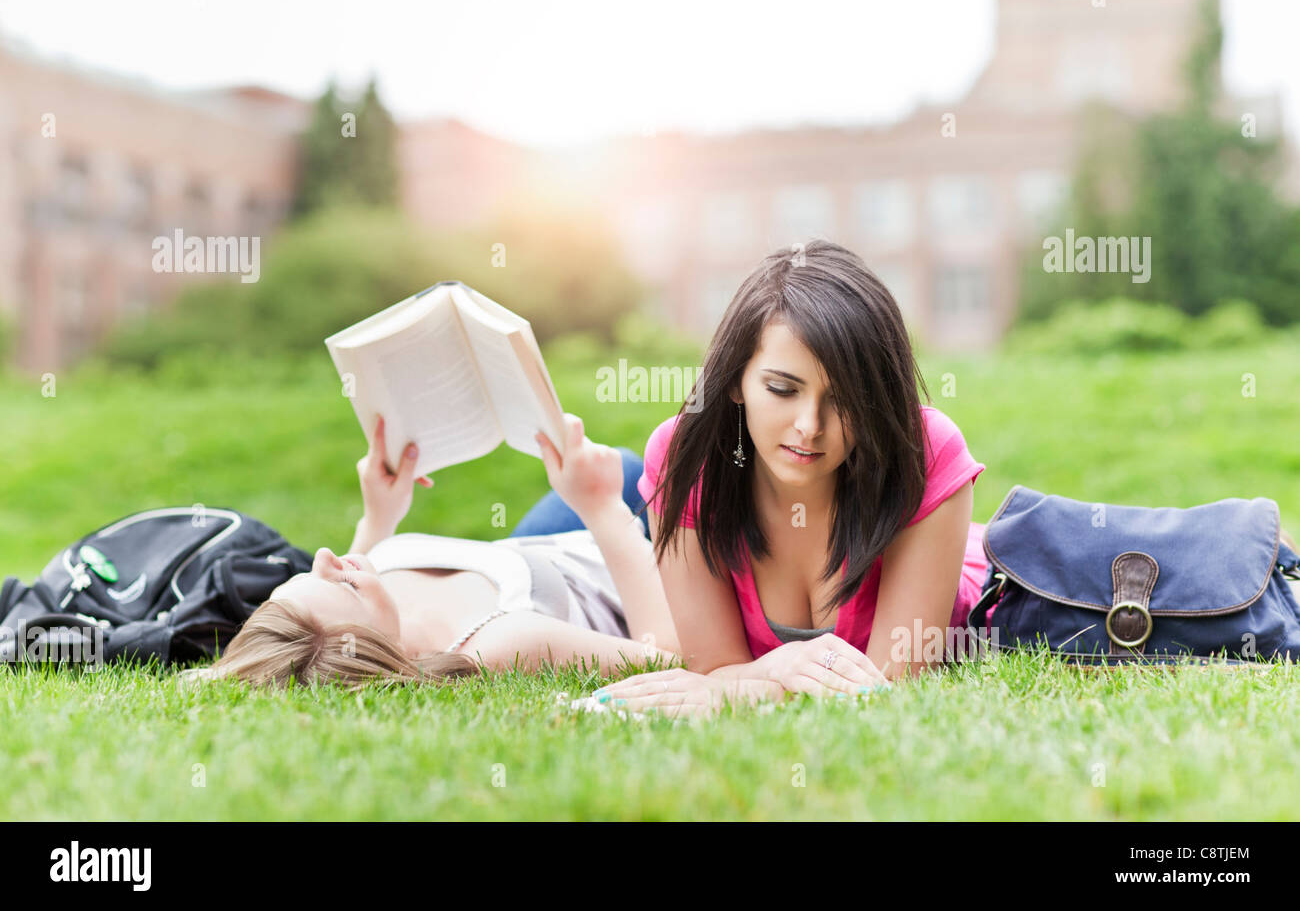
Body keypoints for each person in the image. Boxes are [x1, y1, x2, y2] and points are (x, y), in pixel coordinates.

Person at [583, 239, 993, 716]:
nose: (810, 426)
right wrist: (772, 669)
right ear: (736, 379)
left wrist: (750, 684)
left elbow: (887, 691)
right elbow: (713, 667)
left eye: (845, 400)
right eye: (782, 389)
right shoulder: (688, 460)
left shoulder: (925, 450)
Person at [182, 413, 683, 690]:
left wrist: (381, 513)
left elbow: (337, 592)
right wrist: (601, 511)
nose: (326, 559)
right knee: (659, 462)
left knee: (616, 461)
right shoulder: (503, 643)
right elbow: (670, 658)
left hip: (539, 551)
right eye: (345, 583)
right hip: (630, 558)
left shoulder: (363, 605)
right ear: (382, 652)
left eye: (306, 575)